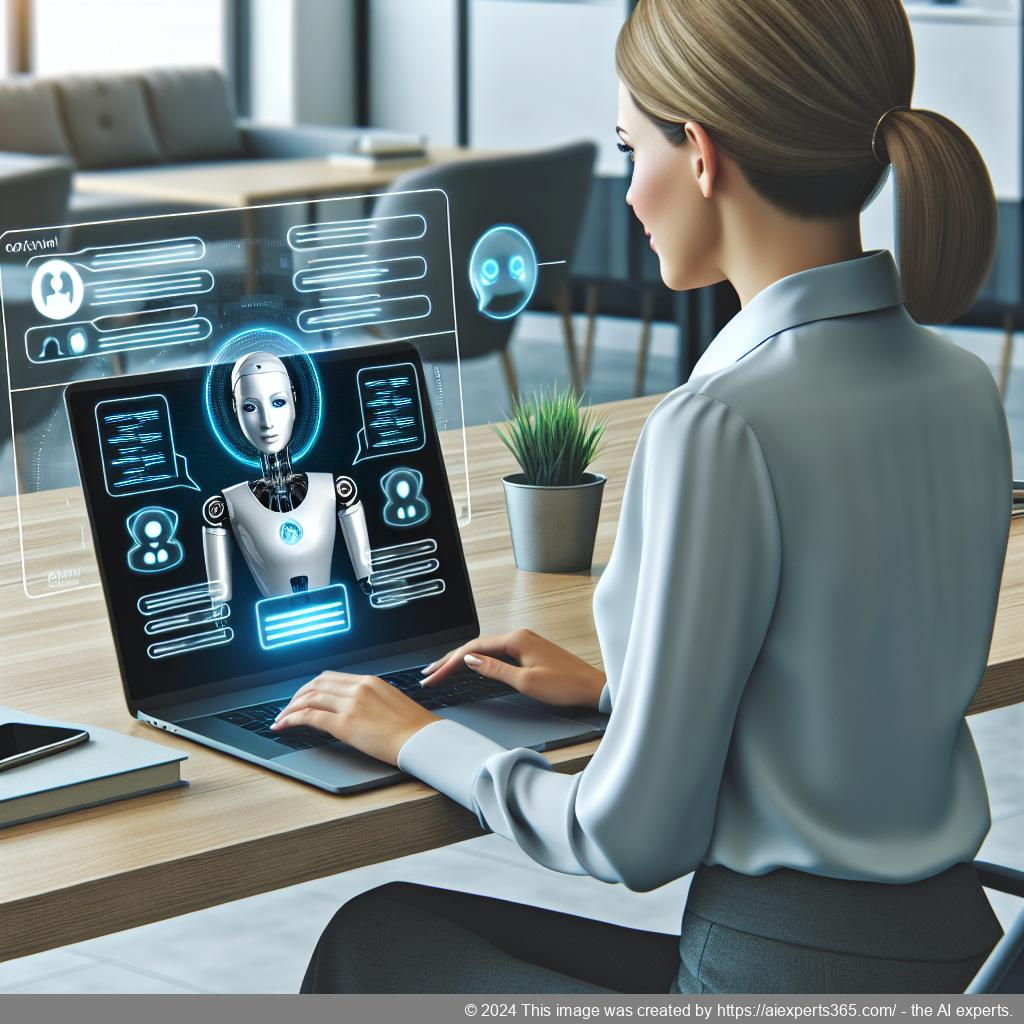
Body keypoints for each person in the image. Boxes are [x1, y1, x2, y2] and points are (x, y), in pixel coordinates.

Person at [273, 0, 1010, 994]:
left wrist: (415, 734)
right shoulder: (962, 386)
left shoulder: (722, 422)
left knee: (379, 942)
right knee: (398, 929)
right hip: (956, 961)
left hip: (774, 979)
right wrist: (624, 691)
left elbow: (627, 837)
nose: (627, 193)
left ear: (700, 155)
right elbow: (846, 695)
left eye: (630, 149)